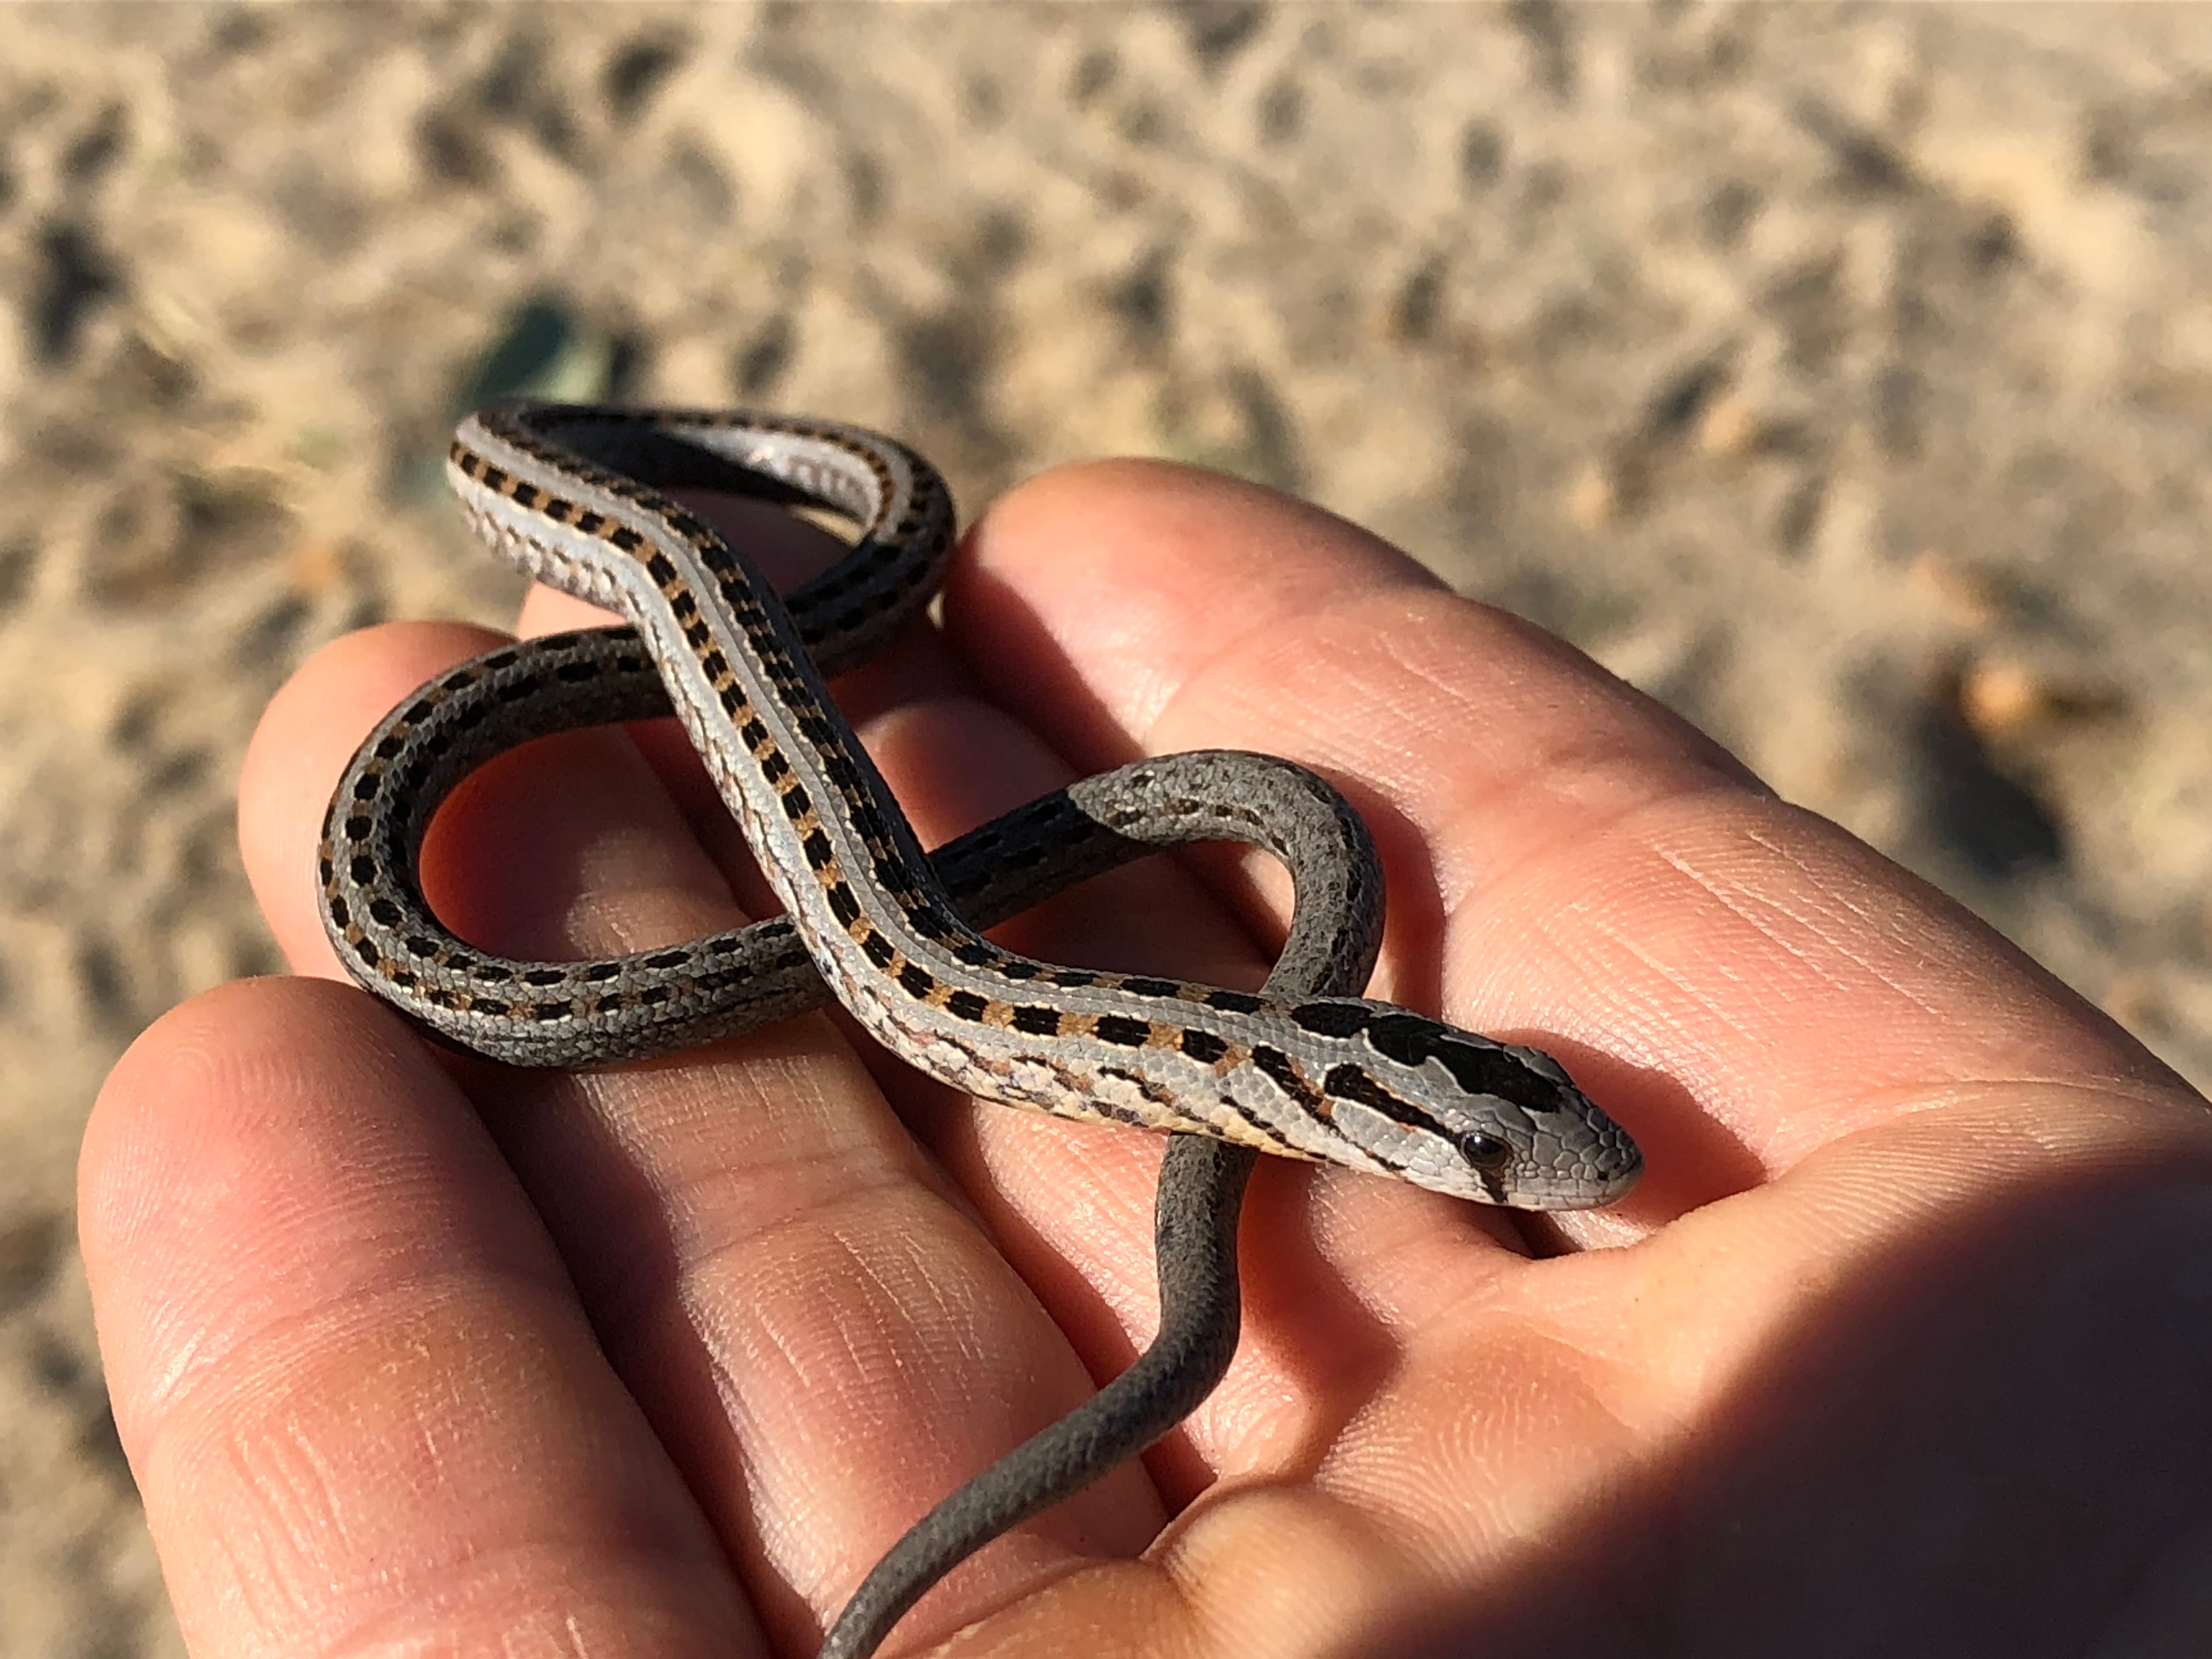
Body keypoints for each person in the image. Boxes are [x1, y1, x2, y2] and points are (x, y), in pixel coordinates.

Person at [84, 459, 2212, 1656]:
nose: (1565, 1159)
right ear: (1394, 1096)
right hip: (706, 663)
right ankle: (767, 531)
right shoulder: (1222, 1054)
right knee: (752, 641)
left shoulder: (1262, 1063)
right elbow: (947, 977)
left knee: (913, 829)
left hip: (998, 955)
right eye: (1513, 1139)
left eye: (1530, 1144)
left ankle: (842, 553)